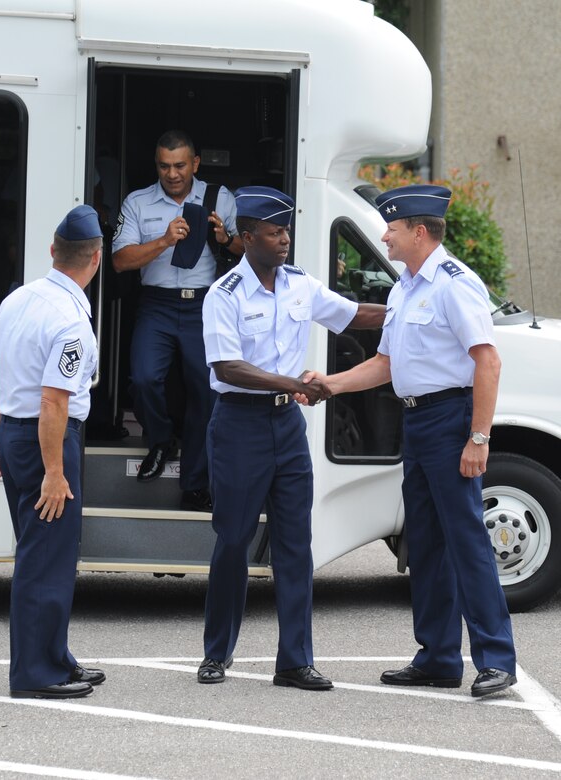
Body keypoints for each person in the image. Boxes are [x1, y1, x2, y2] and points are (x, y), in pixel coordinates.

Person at [301, 184, 517, 698]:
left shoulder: (453, 284)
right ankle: (439, 657)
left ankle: (496, 659)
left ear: (419, 232)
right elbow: (387, 364)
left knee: (465, 540)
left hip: (451, 419)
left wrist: (478, 437)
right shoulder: (406, 287)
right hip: (417, 423)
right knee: (426, 543)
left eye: (392, 230)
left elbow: (487, 360)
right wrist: (331, 386)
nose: (384, 237)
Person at [198, 186, 385, 689]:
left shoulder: (300, 285)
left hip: (287, 427)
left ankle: (295, 660)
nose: (285, 240)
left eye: (286, 232)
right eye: (275, 233)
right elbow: (227, 366)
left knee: (295, 545)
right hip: (239, 425)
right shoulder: (224, 295)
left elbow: (351, 313)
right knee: (233, 541)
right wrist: (296, 384)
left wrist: (412, 310)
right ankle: (217, 651)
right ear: (246, 237)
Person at [0, 205, 107, 699]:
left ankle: (55, 657)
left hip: (17, 434)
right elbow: (55, 399)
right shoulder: (72, 321)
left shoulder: (19, 299)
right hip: (47, 440)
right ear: (95, 259)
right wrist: (54, 470)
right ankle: (36, 674)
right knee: (46, 560)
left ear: (53, 251)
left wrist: (1, 433)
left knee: (43, 554)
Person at [112, 130, 244, 511]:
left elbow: (245, 250)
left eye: (180, 166)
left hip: (206, 304)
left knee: (206, 389)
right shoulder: (138, 202)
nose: (172, 174)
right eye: (164, 166)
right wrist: (164, 241)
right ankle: (161, 440)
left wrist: (225, 238)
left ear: (195, 164)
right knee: (143, 377)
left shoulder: (220, 198)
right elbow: (120, 261)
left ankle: (195, 484)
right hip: (157, 304)